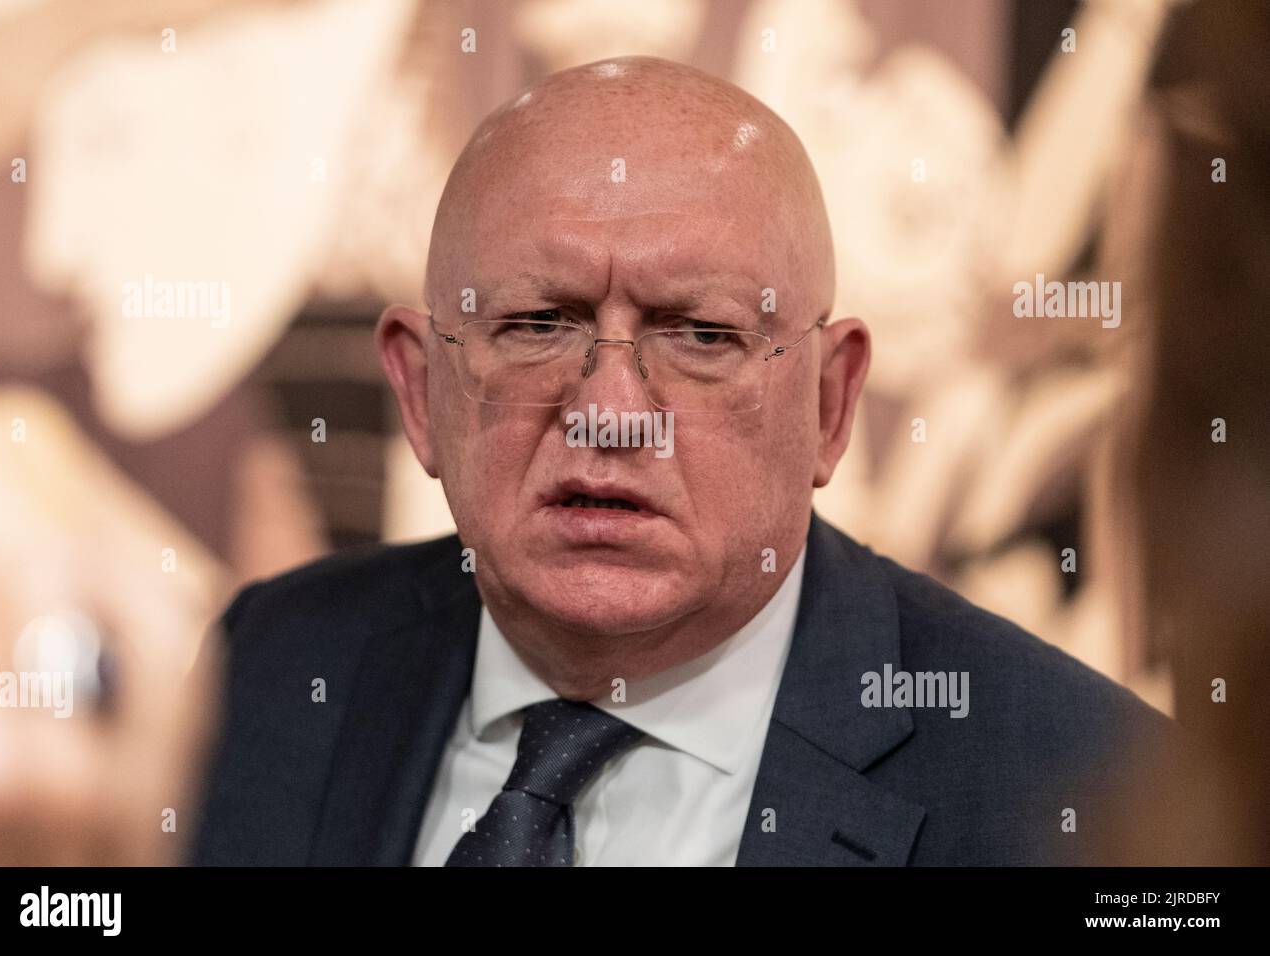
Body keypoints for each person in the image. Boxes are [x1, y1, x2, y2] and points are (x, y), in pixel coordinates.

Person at [191, 56, 1180, 867]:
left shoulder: (1092, 790)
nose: (613, 414)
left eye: (701, 335)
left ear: (830, 401)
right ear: (419, 390)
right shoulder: (269, 667)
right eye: (538, 324)